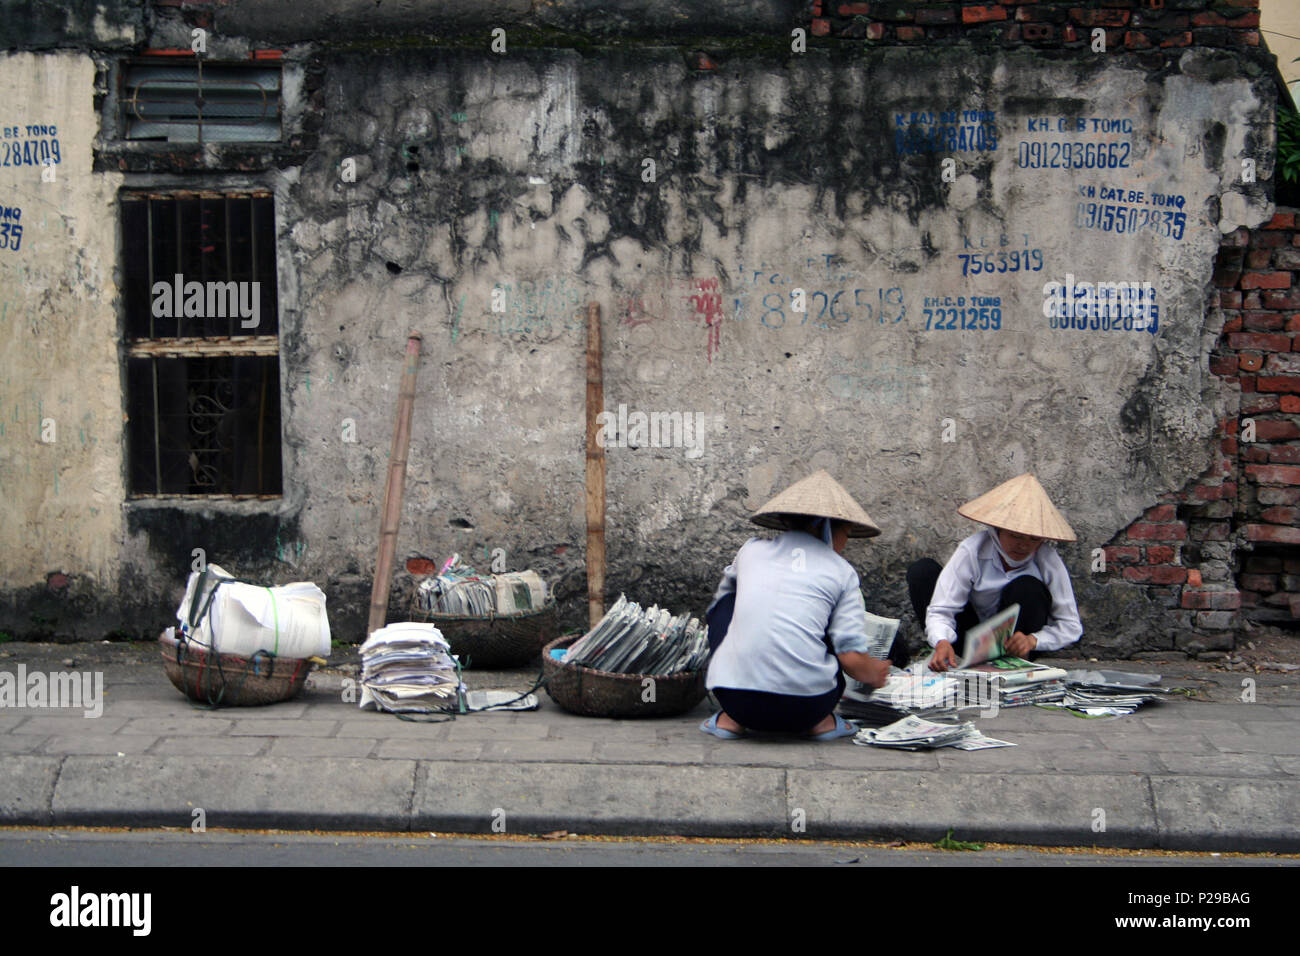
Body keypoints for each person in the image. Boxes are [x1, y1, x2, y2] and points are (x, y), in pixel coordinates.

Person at [700, 469, 894, 740]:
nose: (844, 544)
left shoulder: (750, 551)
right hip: (807, 709)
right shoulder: (841, 571)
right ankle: (823, 723)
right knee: (827, 618)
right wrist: (874, 672)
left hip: (736, 702)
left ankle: (729, 720)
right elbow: (850, 657)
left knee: (726, 601)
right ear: (827, 528)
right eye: (845, 535)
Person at [906, 473, 1083, 672]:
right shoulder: (973, 549)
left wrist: (1033, 640)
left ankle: (1015, 662)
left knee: (1027, 586)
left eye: (1033, 539)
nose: (1023, 546)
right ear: (997, 530)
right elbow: (942, 608)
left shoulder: (1047, 559)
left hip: (1016, 644)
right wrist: (941, 641)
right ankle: (954, 654)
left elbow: (1070, 625)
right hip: (972, 639)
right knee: (923, 572)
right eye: (1015, 536)